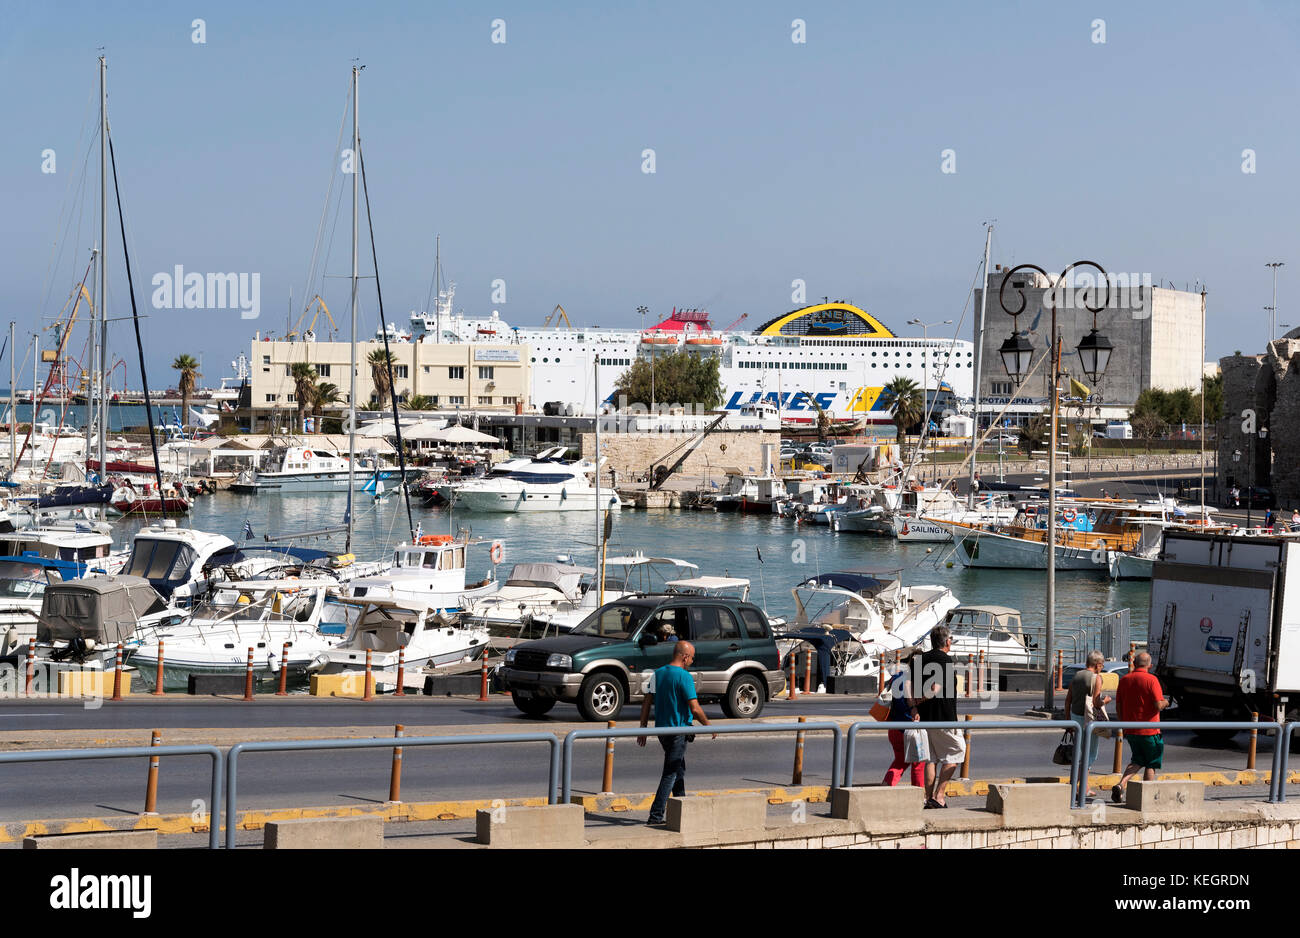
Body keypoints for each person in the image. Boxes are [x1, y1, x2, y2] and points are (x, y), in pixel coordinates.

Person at [637, 640, 715, 825]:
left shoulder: (657, 674)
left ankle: (683, 808)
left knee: (678, 769)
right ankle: (655, 815)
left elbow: (647, 702)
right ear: (685, 657)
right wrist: (709, 726)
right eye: (692, 658)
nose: (692, 662)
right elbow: (695, 708)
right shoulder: (684, 677)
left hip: (662, 731)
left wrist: (643, 728)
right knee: (671, 772)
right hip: (679, 731)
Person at [914, 624, 965, 808]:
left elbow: (910, 686)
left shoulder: (920, 659)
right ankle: (939, 795)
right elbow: (936, 688)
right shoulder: (945, 660)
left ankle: (928, 799)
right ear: (947, 641)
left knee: (932, 758)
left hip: (925, 718)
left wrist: (915, 707)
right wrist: (923, 698)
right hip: (944, 717)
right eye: (951, 640)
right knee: (958, 752)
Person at [1112, 651, 1168, 803]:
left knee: (1137, 760)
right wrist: (1166, 702)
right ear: (1150, 665)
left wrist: (1123, 724)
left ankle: (1121, 785)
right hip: (1150, 730)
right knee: (1151, 763)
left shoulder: (1124, 680)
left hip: (1130, 728)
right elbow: (1158, 705)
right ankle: (1146, 797)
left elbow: (1118, 706)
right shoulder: (1152, 680)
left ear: (1134, 664)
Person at [1064, 651, 1111, 798]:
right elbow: (1096, 702)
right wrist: (1106, 701)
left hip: (1074, 717)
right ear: (1097, 664)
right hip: (1088, 720)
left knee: (1078, 753)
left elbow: (1067, 701)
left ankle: (1084, 787)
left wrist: (1068, 721)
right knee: (1090, 755)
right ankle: (1075, 784)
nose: (1101, 668)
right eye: (1102, 665)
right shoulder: (1097, 678)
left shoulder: (1076, 676)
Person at [881, 647, 925, 788]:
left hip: (894, 728)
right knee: (918, 763)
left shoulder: (897, 676)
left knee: (900, 760)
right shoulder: (918, 681)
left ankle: (887, 785)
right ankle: (919, 795)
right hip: (911, 729)